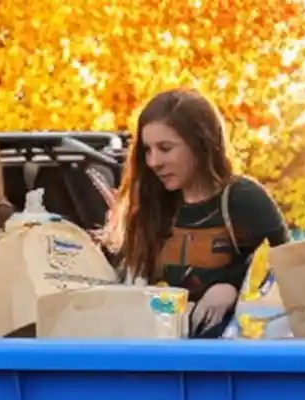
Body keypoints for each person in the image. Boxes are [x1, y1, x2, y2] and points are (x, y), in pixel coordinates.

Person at [108, 88, 290, 338]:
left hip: (231, 354)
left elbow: (289, 275)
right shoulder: (151, 203)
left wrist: (231, 287)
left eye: (165, 148)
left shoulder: (244, 199)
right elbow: (132, 290)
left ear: (200, 144)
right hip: (158, 352)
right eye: (147, 150)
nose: (153, 162)